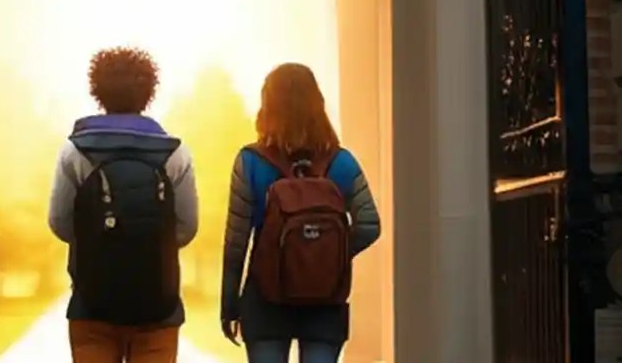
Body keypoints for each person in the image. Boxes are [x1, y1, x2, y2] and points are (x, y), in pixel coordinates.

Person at [219, 63, 381, 363]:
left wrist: (229, 304)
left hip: (265, 298)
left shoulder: (250, 162)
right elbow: (370, 225)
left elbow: (236, 243)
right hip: (325, 299)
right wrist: (326, 254)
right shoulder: (342, 162)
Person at [47, 46, 200, 363]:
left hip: (92, 303)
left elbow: (60, 223)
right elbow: (186, 227)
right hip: (158, 306)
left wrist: (101, 238)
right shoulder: (175, 153)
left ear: (97, 91)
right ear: (148, 93)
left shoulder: (75, 151)